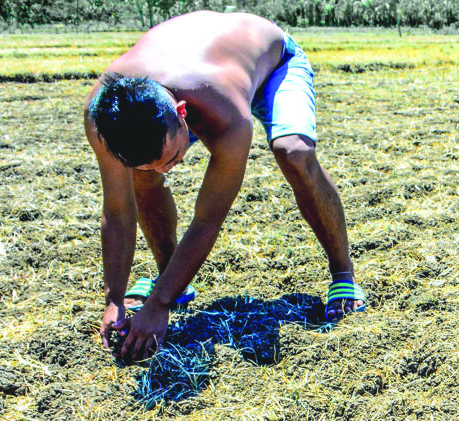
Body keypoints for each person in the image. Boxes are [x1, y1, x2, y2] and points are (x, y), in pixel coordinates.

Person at [84, 11, 364, 361]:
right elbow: (118, 209)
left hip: (272, 62)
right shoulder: (104, 117)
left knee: (293, 151)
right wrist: (113, 300)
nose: (167, 169)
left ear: (182, 113)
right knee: (141, 181)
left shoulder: (225, 110)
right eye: (152, 163)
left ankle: (343, 274)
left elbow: (208, 220)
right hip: (197, 60)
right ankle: (170, 277)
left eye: (171, 156)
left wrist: (157, 305)